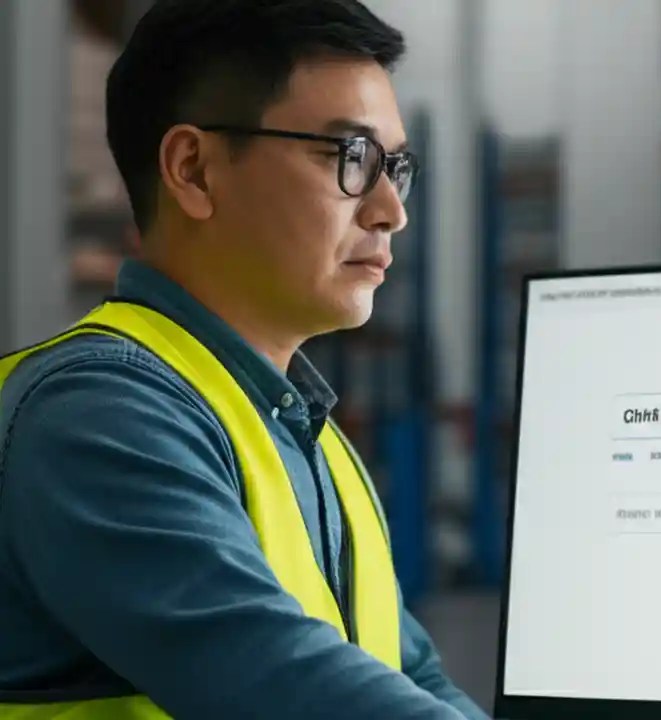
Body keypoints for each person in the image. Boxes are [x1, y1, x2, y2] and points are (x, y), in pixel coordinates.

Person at [0, 1, 489, 718]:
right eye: (352, 158)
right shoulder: (98, 417)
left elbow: (415, 682)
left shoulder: (313, 443)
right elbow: (291, 688)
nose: (391, 209)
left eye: (397, 167)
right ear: (194, 170)